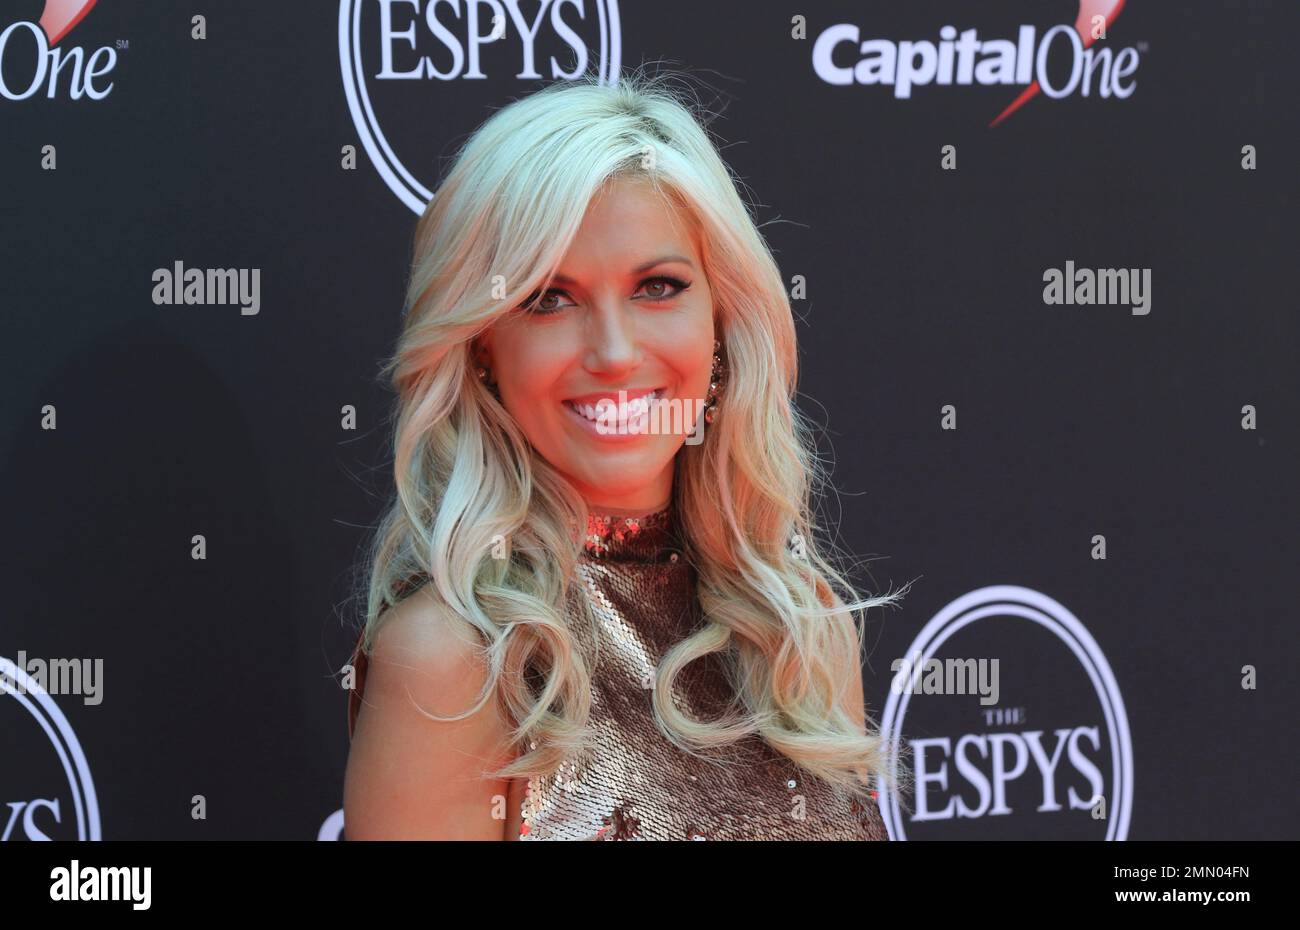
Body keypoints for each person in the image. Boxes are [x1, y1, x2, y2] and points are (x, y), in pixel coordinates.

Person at [342, 69, 908, 840]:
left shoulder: (798, 626)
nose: (613, 352)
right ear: (482, 351)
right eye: (549, 298)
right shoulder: (453, 661)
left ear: (722, 325)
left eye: (658, 288)